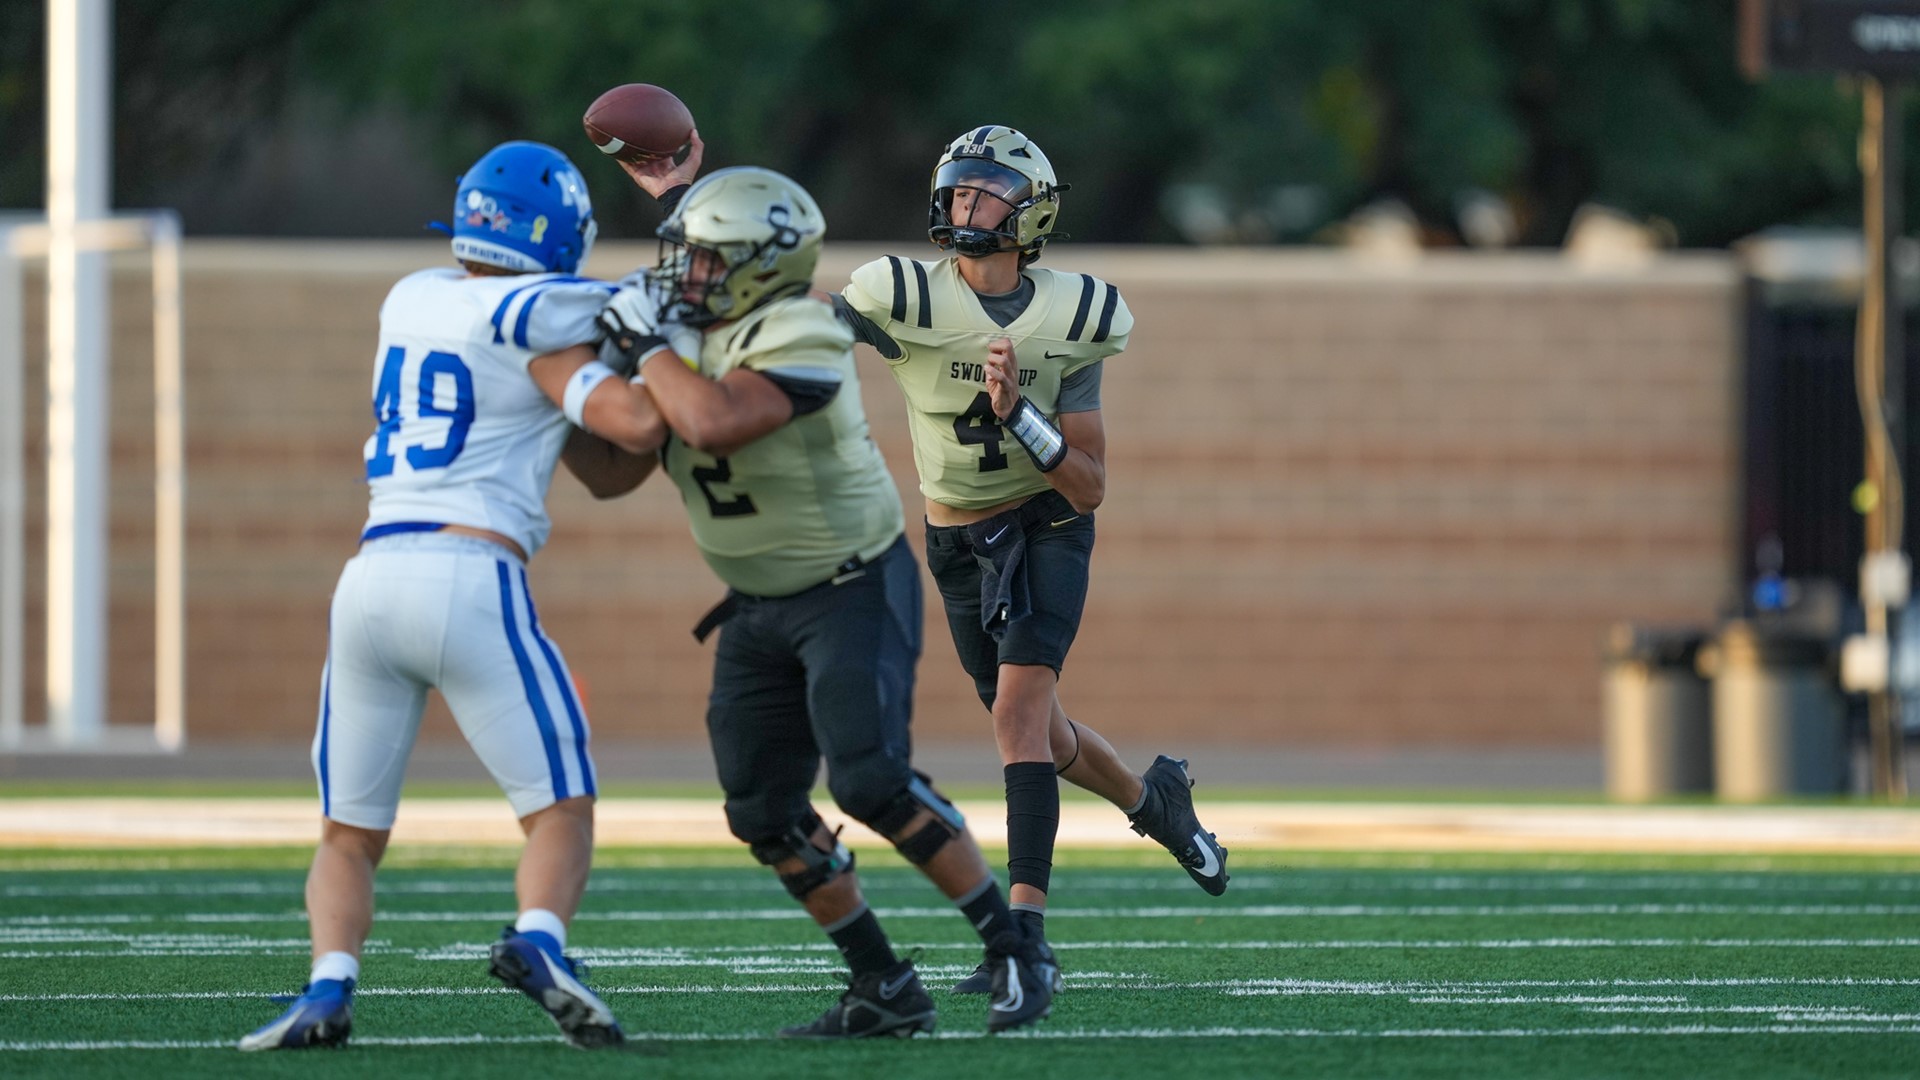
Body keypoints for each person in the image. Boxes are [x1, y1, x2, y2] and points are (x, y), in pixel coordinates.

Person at [589, 162, 1057, 1036]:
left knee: (871, 779)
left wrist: (643, 350)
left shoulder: (800, 327)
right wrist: (575, 392)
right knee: (761, 810)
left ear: (759, 264)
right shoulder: (684, 339)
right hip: (757, 602)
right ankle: (883, 985)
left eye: (702, 259)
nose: (682, 274)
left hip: (849, 587)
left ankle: (1016, 948)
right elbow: (612, 471)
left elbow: (716, 422)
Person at [239, 140, 665, 1052]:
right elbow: (629, 414)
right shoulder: (542, 310)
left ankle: (327, 988)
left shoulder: (413, 297)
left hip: (368, 582)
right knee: (561, 808)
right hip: (469, 574)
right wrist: (672, 345)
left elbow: (604, 467)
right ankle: (540, 939)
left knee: (348, 831)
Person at [834, 125, 1231, 992]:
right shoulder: (900, 293)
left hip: (1046, 524)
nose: (962, 203)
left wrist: (1022, 415)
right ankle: (1154, 802)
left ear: (1031, 213)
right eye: (957, 188)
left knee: (1017, 719)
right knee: (1039, 734)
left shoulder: (1075, 314)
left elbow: (1088, 485)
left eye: (983, 190)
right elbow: (809, 336)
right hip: (954, 539)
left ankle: (1023, 939)